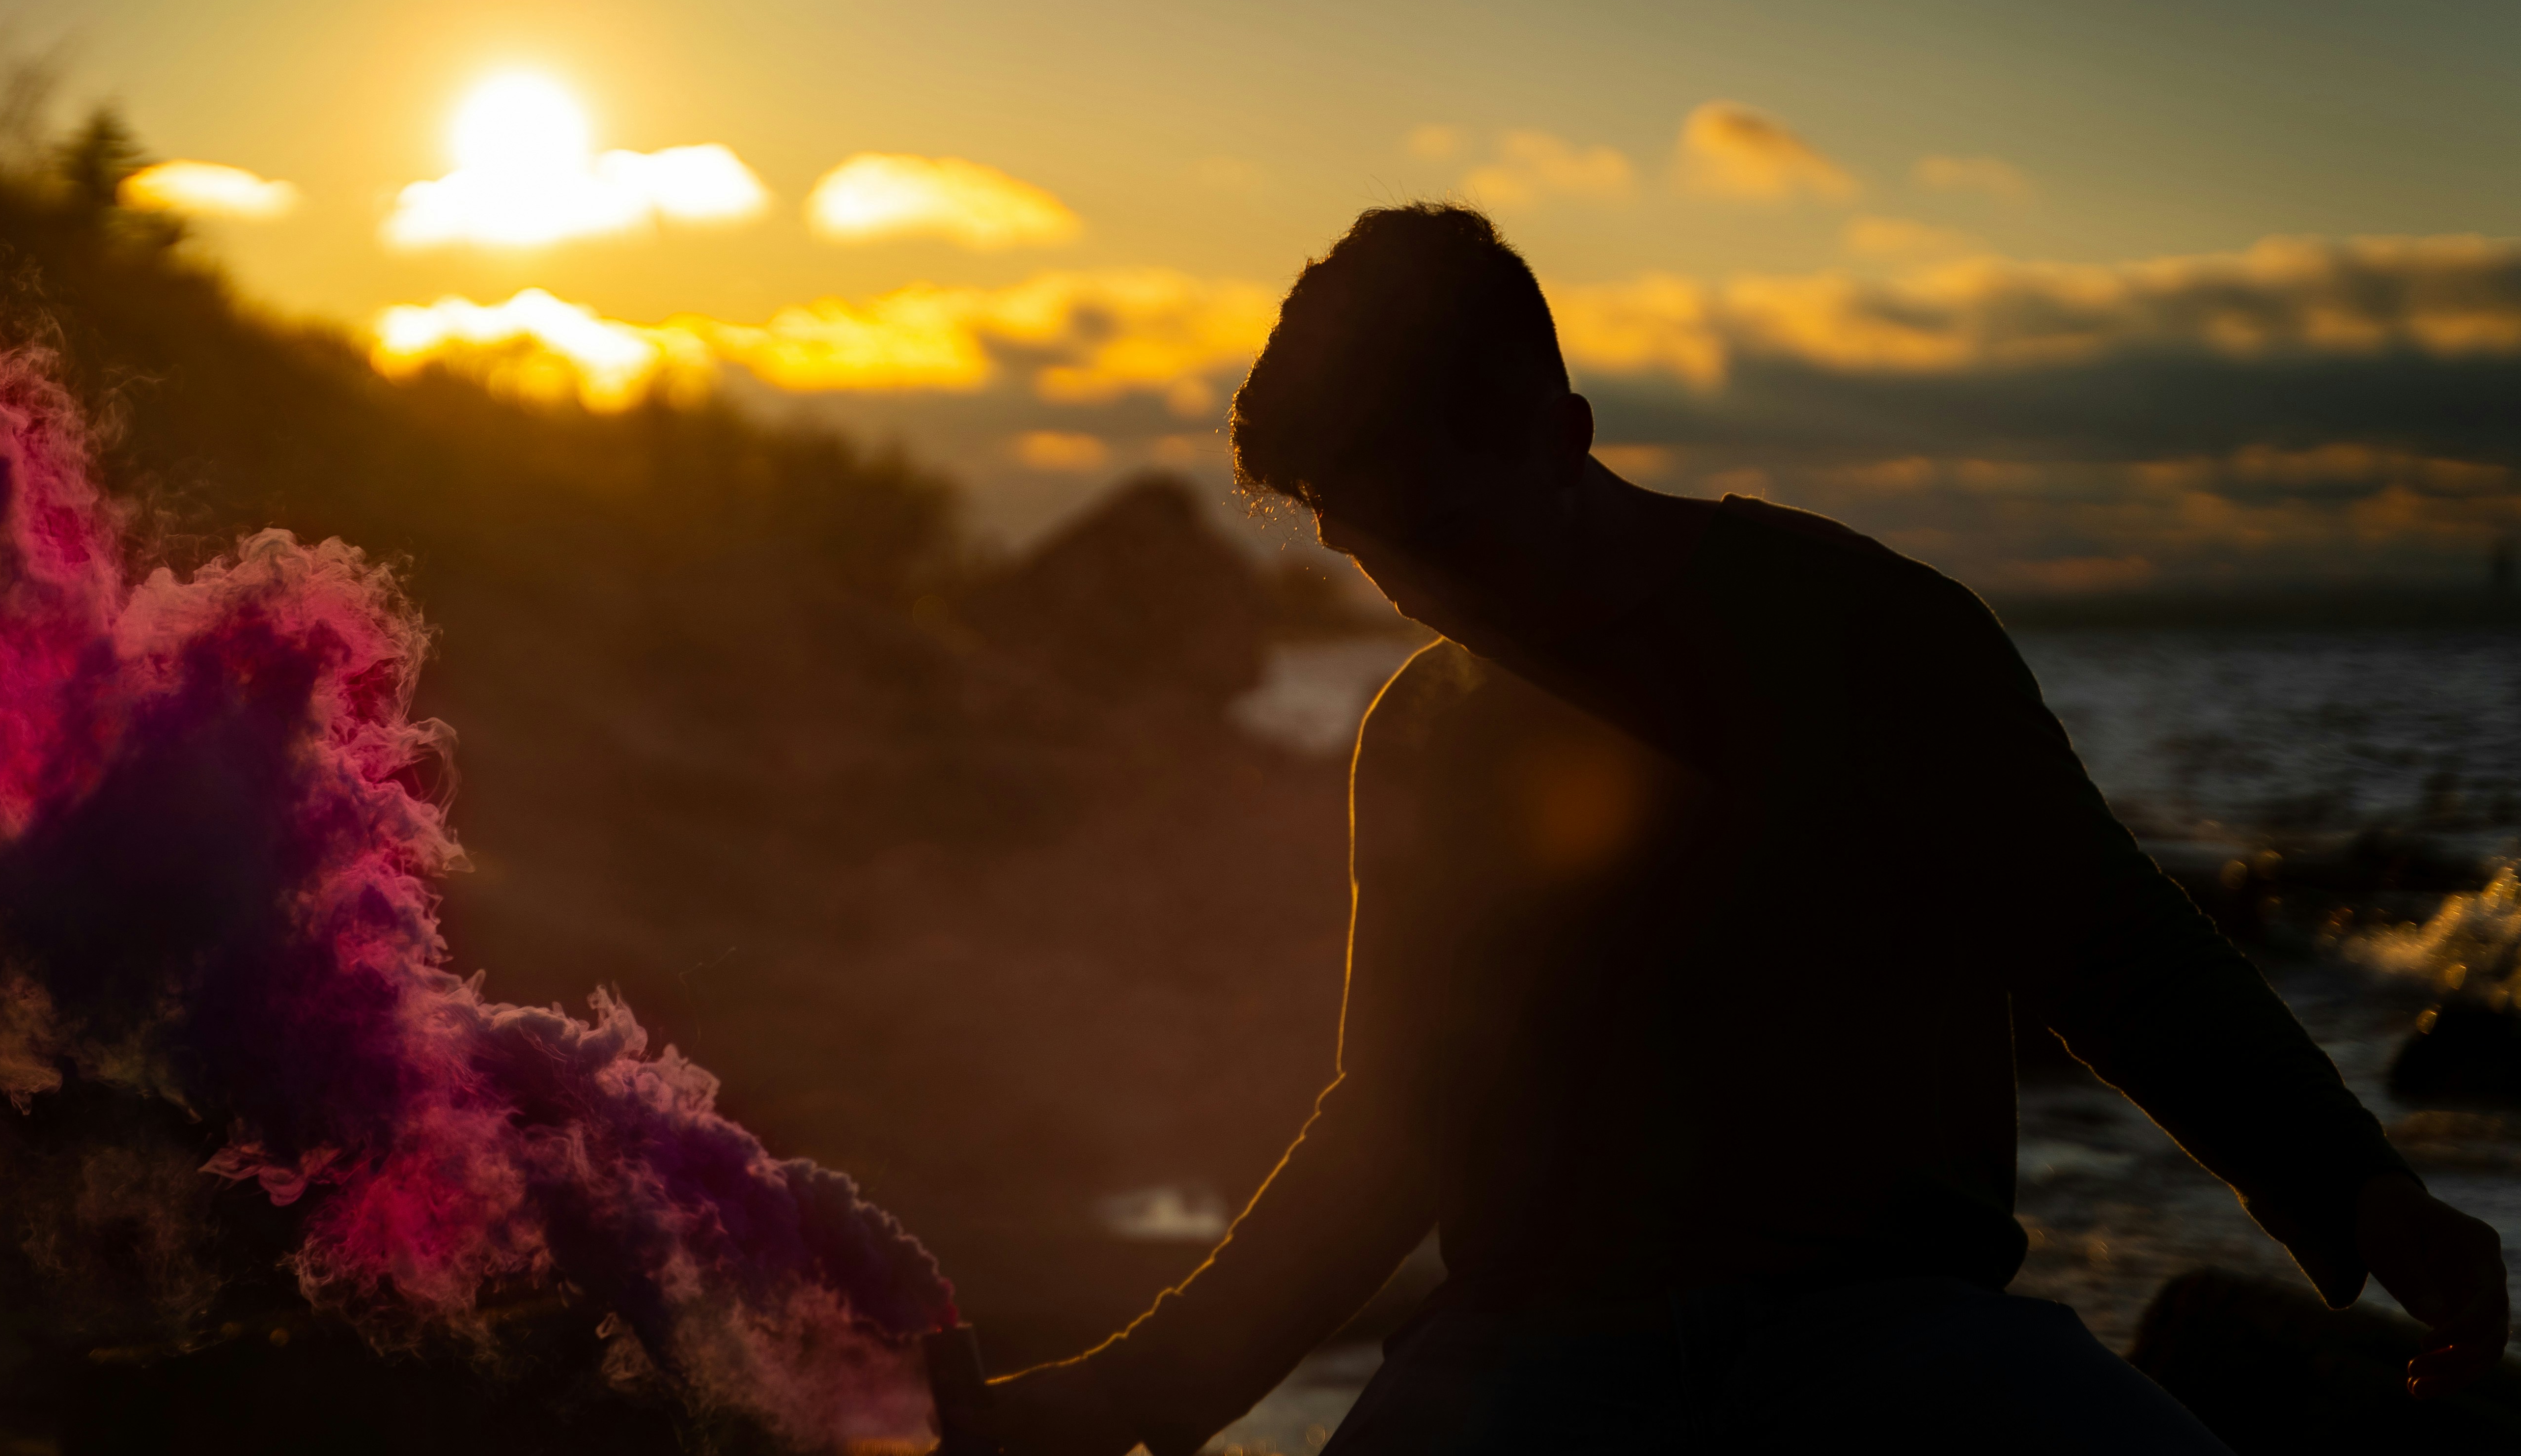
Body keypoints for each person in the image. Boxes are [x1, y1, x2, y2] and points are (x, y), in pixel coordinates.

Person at [988, 206, 2510, 1455]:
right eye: (1367, 554)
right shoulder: (1421, 735)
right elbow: (1384, 1119)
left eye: (1446, 533)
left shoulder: (1868, 631)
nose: (1422, 594)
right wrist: (1137, 1391)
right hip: (1528, 1351)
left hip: (1894, 1325)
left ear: (1559, 431)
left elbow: (2109, 947)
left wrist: (2365, 1191)